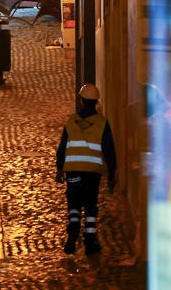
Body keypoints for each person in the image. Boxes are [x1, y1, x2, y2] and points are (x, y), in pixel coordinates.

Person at [55, 84, 116, 255]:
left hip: (73, 169)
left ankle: (72, 232)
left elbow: (62, 147)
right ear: (96, 102)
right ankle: (90, 240)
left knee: (73, 201)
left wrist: (60, 169)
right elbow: (109, 150)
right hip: (92, 170)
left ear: (81, 101)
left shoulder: (71, 121)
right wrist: (112, 173)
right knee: (90, 203)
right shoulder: (102, 123)